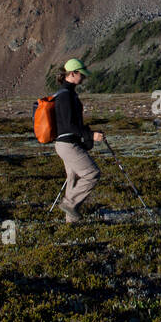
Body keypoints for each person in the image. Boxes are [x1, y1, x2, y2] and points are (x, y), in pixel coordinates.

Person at [52, 58, 103, 223]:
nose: (83, 78)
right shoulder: (66, 96)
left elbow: (70, 124)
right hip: (68, 144)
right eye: (81, 74)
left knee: (73, 179)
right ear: (72, 74)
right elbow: (69, 125)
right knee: (91, 173)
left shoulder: (66, 93)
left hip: (66, 143)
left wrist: (87, 133)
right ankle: (69, 204)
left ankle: (70, 223)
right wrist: (90, 135)